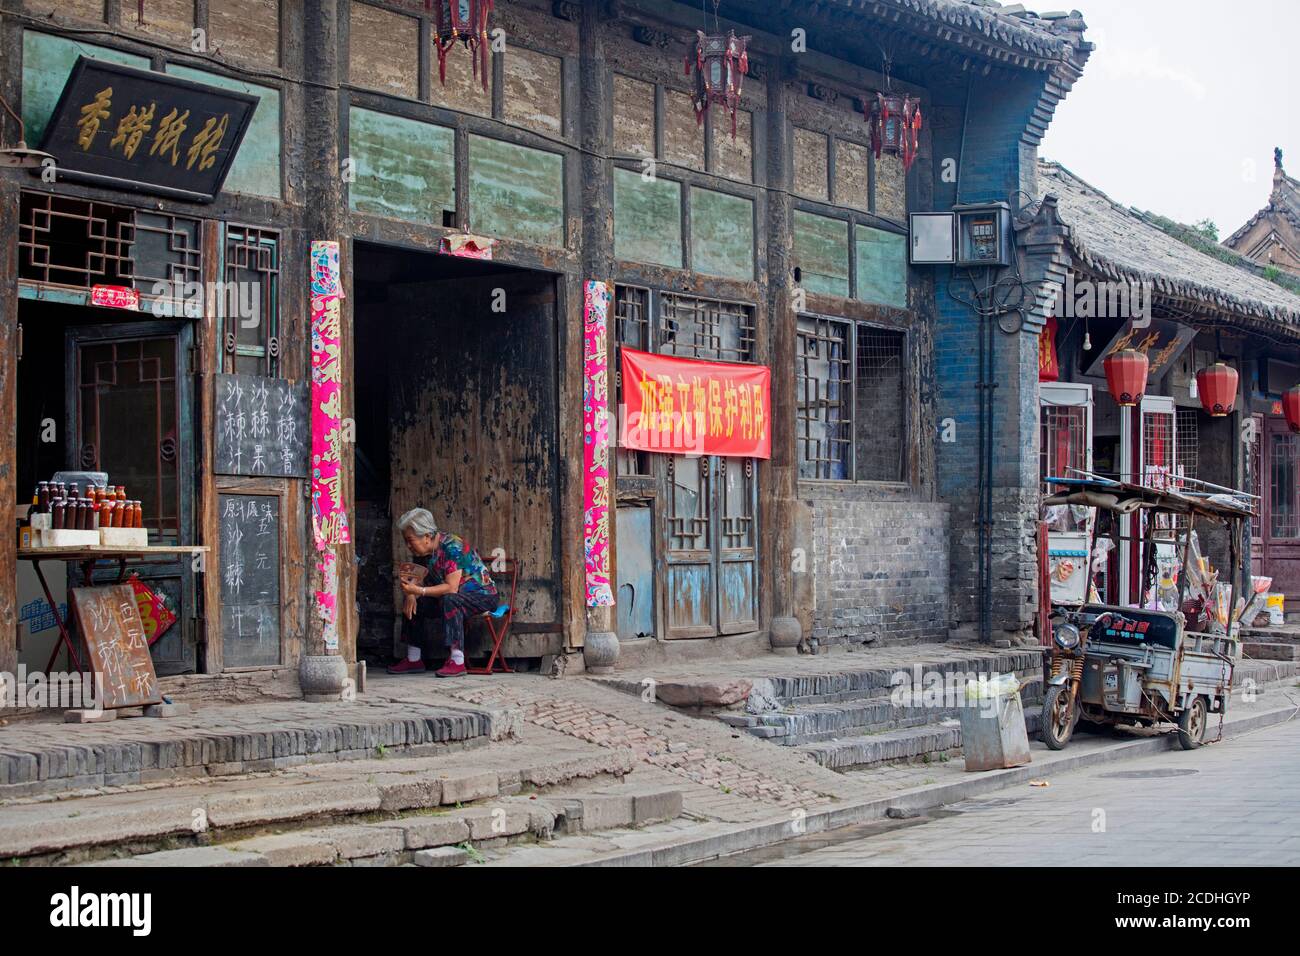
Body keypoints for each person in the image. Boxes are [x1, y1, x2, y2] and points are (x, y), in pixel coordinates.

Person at [387, 508, 499, 677]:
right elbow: (418, 577)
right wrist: (411, 595)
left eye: (410, 540)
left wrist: (419, 590)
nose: (408, 546)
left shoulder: (452, 547)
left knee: (449, 599)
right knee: (417, 602)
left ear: (426, 537)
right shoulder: (424, 551)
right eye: (406, 541)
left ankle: (457, 660)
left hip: (482, 596)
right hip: (454, 596)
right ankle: (413, 658)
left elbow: (451, 588)